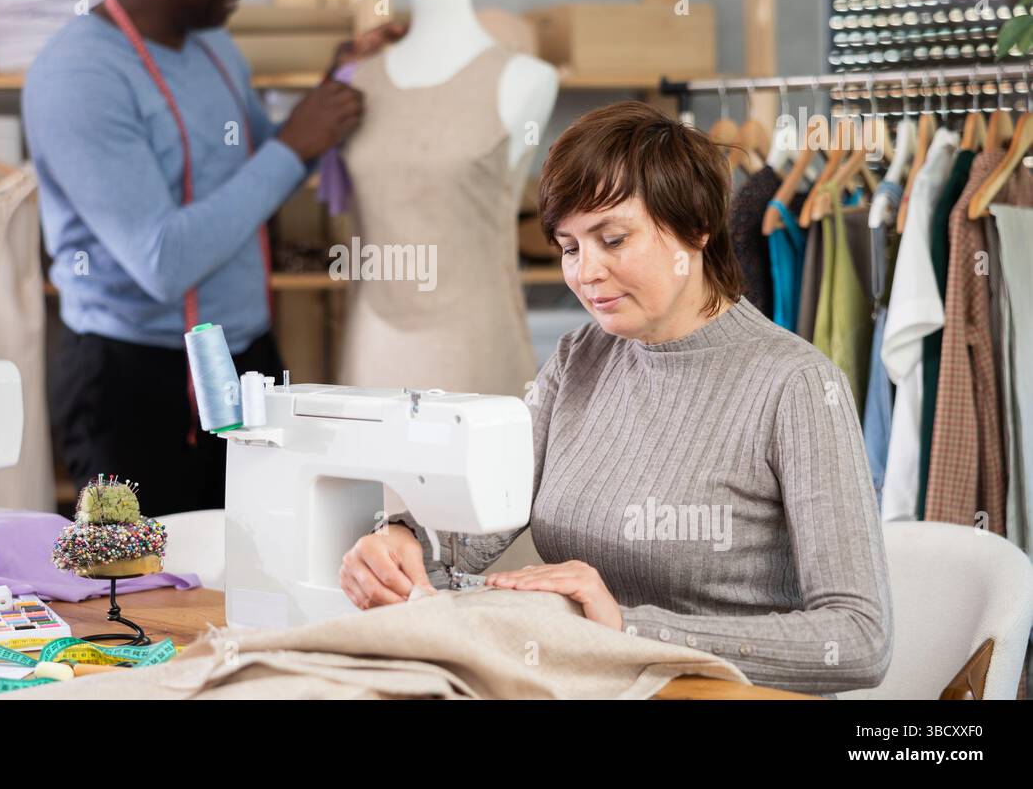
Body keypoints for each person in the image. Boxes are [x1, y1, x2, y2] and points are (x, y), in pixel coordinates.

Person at [339, 101, 893, 696]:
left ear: (696, 227)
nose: (586, 273)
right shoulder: (580, 358)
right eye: (570, 247)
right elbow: (474, 535)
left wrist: (627, 628)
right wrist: (401, 540)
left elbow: (859, 640)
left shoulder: (798, 386)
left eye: (612, 239)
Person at [24, 0, 400, 516]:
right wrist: (292, 144)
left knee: (269, 568)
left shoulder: (213, 45)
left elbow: (259, 169)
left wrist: (335, 88)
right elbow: (163, 261)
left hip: (245, 357)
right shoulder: (76, 78)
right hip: (136, 382)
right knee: (148, 595)